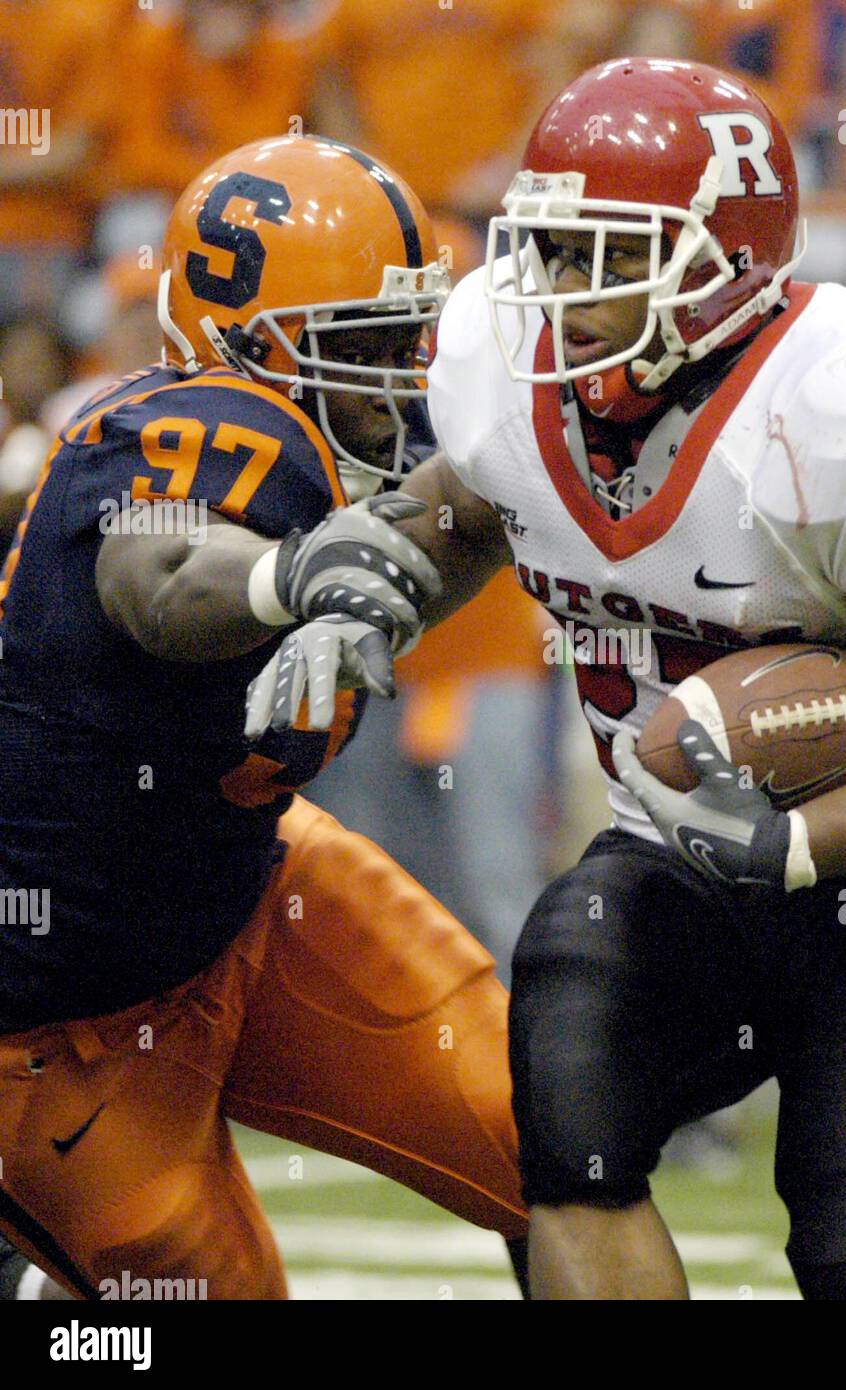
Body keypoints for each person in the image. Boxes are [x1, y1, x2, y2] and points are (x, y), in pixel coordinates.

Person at [249, 60, 846, 1300]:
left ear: (722, 254)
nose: (559, 289)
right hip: (661, 851)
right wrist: (365, 579)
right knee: (560, 1110)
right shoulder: (509, 364)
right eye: (547, 246)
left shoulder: (843, 402)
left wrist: (793, 843)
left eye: (602, 252)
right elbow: (473, 506)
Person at [0, 135, 527, 1301]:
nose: (404, 372)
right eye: (368, 345)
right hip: (67, 1017)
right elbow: (164, 568)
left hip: (258, 887)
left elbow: (484, 505)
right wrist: (289, 578)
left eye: (411, 336)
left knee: (565, 1139)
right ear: (257, 345)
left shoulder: (342, 452)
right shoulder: (195, 423)